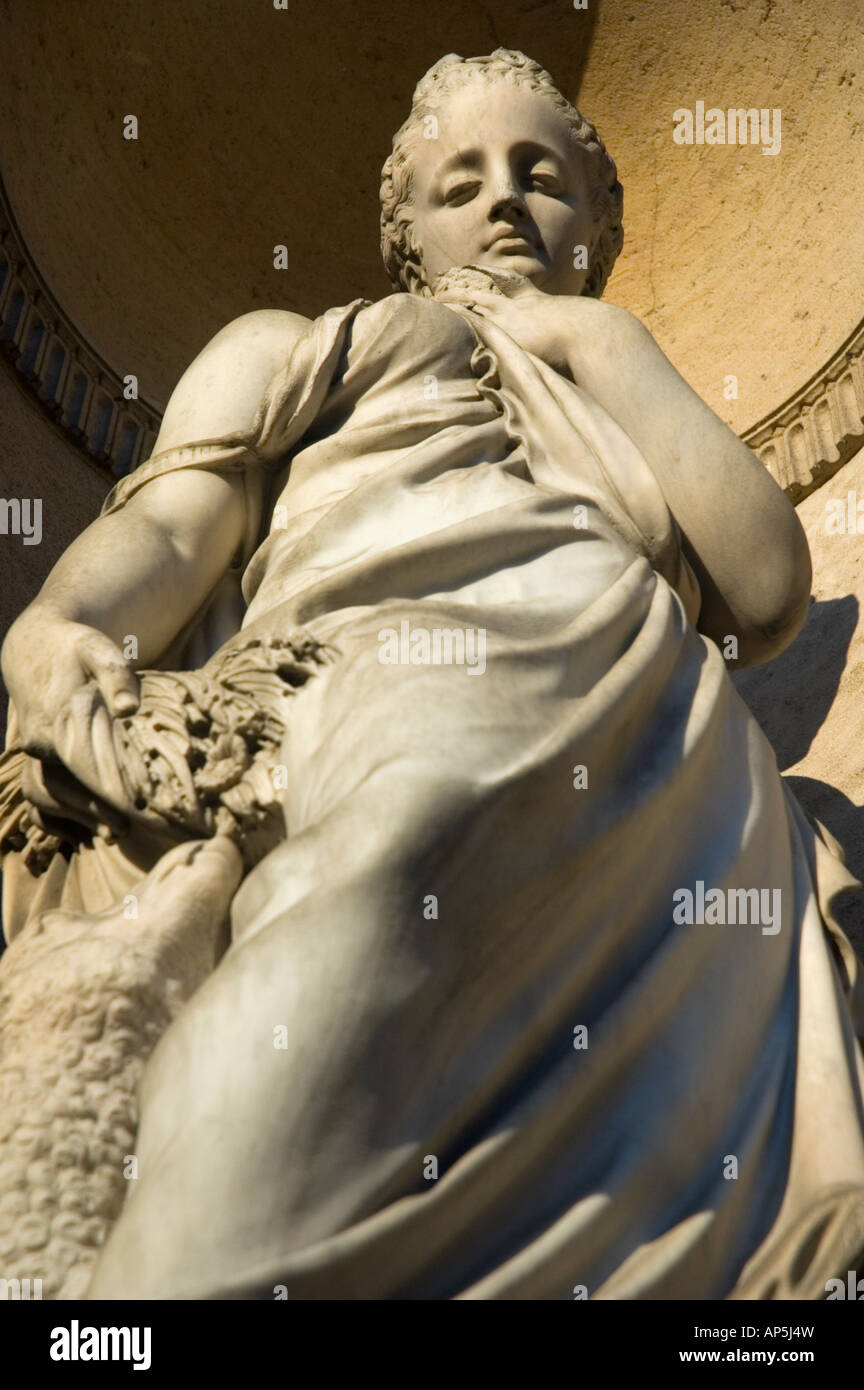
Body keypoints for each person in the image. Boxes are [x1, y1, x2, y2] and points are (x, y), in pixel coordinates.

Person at [2, 48, 864, 1300]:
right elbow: (172, 530)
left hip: (639, 729)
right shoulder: (314, 341)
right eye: (461, 182)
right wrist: (59, 622)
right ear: (406, 230)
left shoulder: (606, 367)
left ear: (599, 231)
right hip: (384, 681)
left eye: (544, 179)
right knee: (375, 892)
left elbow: (768, 583)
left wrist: (597, 339)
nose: (506, 200)